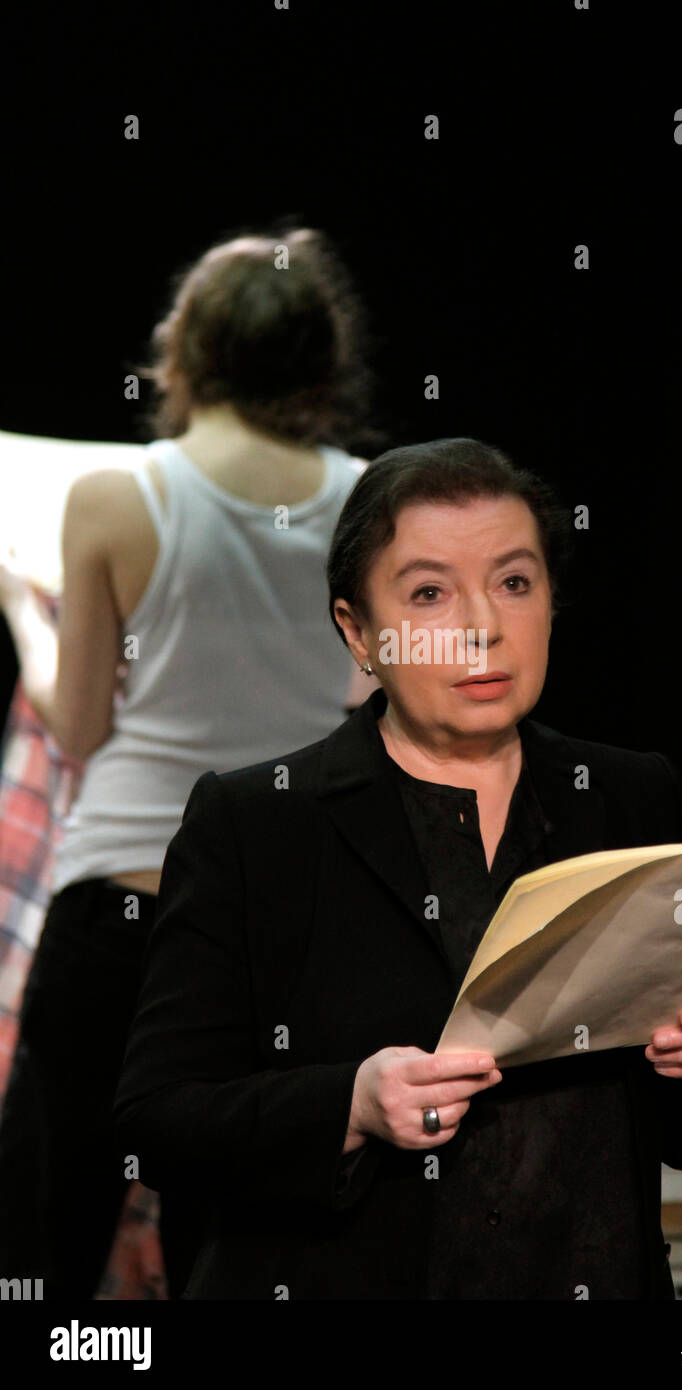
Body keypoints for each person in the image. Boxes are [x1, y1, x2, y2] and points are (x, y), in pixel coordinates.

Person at [114, 436, 682, 1300]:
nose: (482, 626)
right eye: (428, 593)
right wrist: (350, 1104)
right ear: (359, 633)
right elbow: (159, 1120)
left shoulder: (631, 796)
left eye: (514, 583)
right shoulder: (258, 821)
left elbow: (681, 1126)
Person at [0, 223, 381, 1300]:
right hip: (276, 917)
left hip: (123, 896)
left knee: (58, 1210)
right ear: (322, 357)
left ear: (188, 351)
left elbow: (75, 728)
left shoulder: (119, 499)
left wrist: (30, 623)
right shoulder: (370, 501)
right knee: (240, 1230)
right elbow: (363, 700)